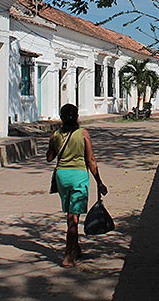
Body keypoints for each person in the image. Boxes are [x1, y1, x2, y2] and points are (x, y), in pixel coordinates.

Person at [46, 103, 107, 267]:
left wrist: (54, 144)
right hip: (79, 176)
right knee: (73, 217)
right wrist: (99, 182)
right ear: (78, 117)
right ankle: (68, 256)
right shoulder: (83, 134)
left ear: (61, 118)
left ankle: (76, 246)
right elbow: (91, 160)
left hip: (62, 177)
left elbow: (49, 157)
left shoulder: (55, 135)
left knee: (70, 215)